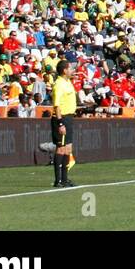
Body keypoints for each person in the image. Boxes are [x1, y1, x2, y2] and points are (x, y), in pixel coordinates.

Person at [51, 60, 78, 189]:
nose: (72, 70)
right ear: (64, 70)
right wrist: (60, 123)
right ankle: (58, 180)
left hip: (69, 117)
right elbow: (57, 105)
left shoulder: (68, 82)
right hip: (61, 118)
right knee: (61, 148)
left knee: (68, 148)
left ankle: (65, 179)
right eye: (70, 68)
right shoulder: (59, 84)